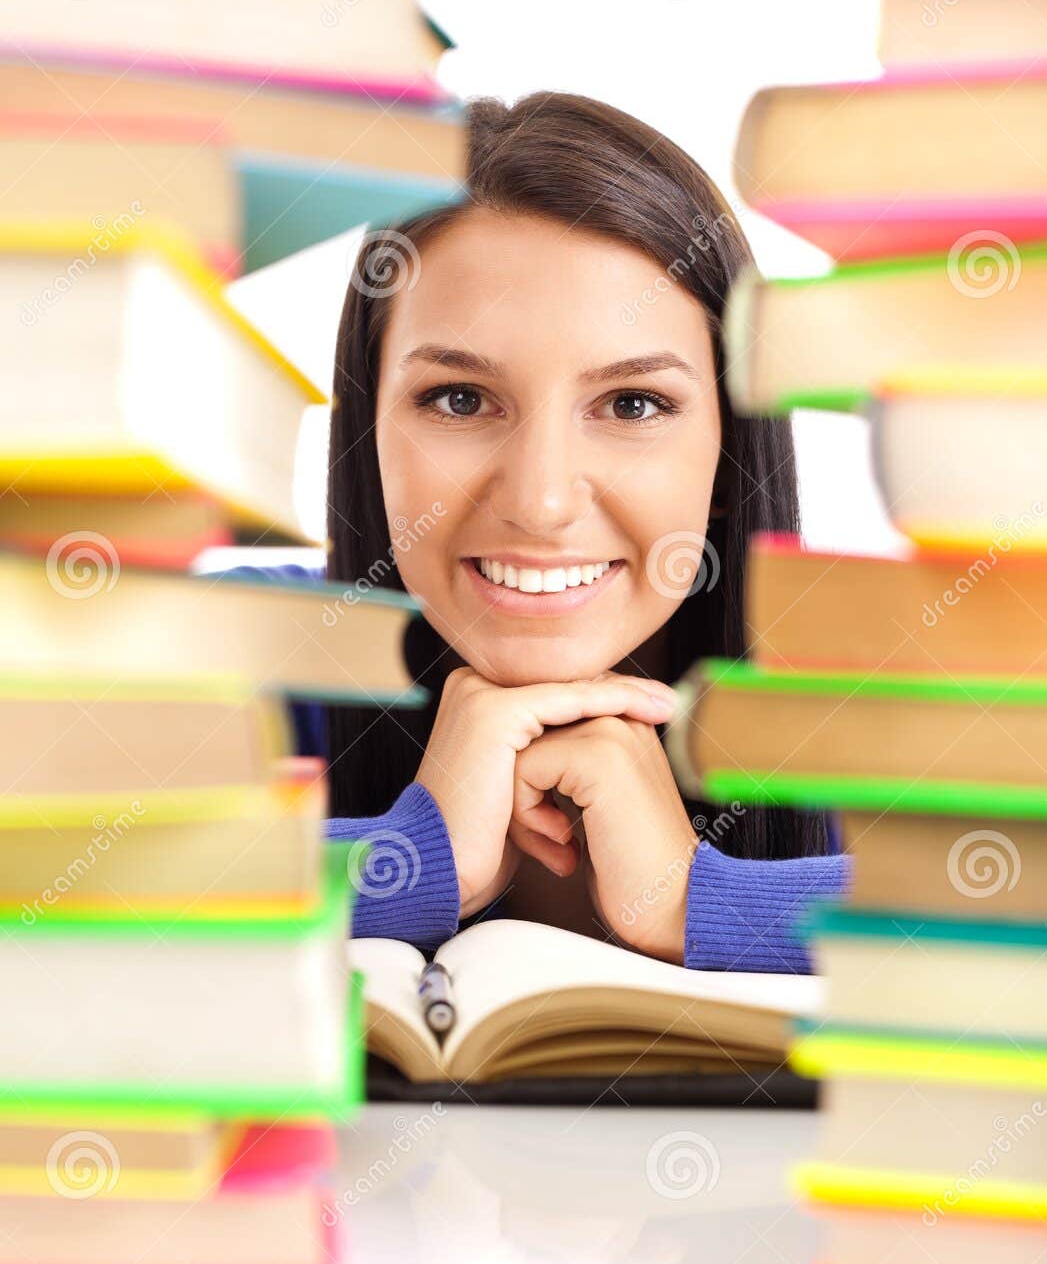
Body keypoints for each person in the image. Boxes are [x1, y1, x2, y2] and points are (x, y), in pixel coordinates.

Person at [270, 92, 848, 971]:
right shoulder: (237, 654)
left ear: (730, 456)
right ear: (368, 436)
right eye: (458, 400)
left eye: (632, 404)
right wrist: (405, 860)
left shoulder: (892, 695)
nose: (539, 503)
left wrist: (706, 901)